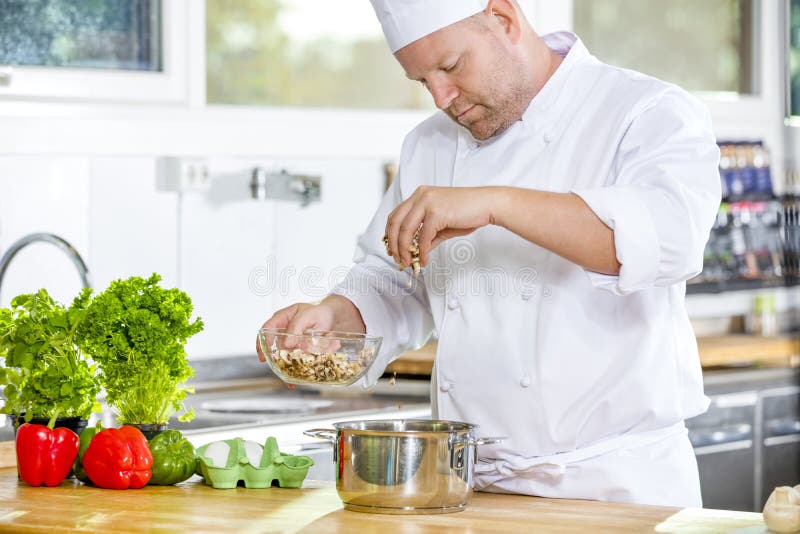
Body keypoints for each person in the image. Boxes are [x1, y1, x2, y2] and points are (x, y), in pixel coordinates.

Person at [257, 0, 721, 507]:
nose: (440, 97)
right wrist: (336, 317)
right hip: (475, 488)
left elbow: (668, 239)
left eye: (451, 66)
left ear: (503, 18)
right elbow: (396, 280)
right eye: (422, 81)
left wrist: (494, 203)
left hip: (618, 489)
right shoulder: (429, 144)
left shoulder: (644, 111)